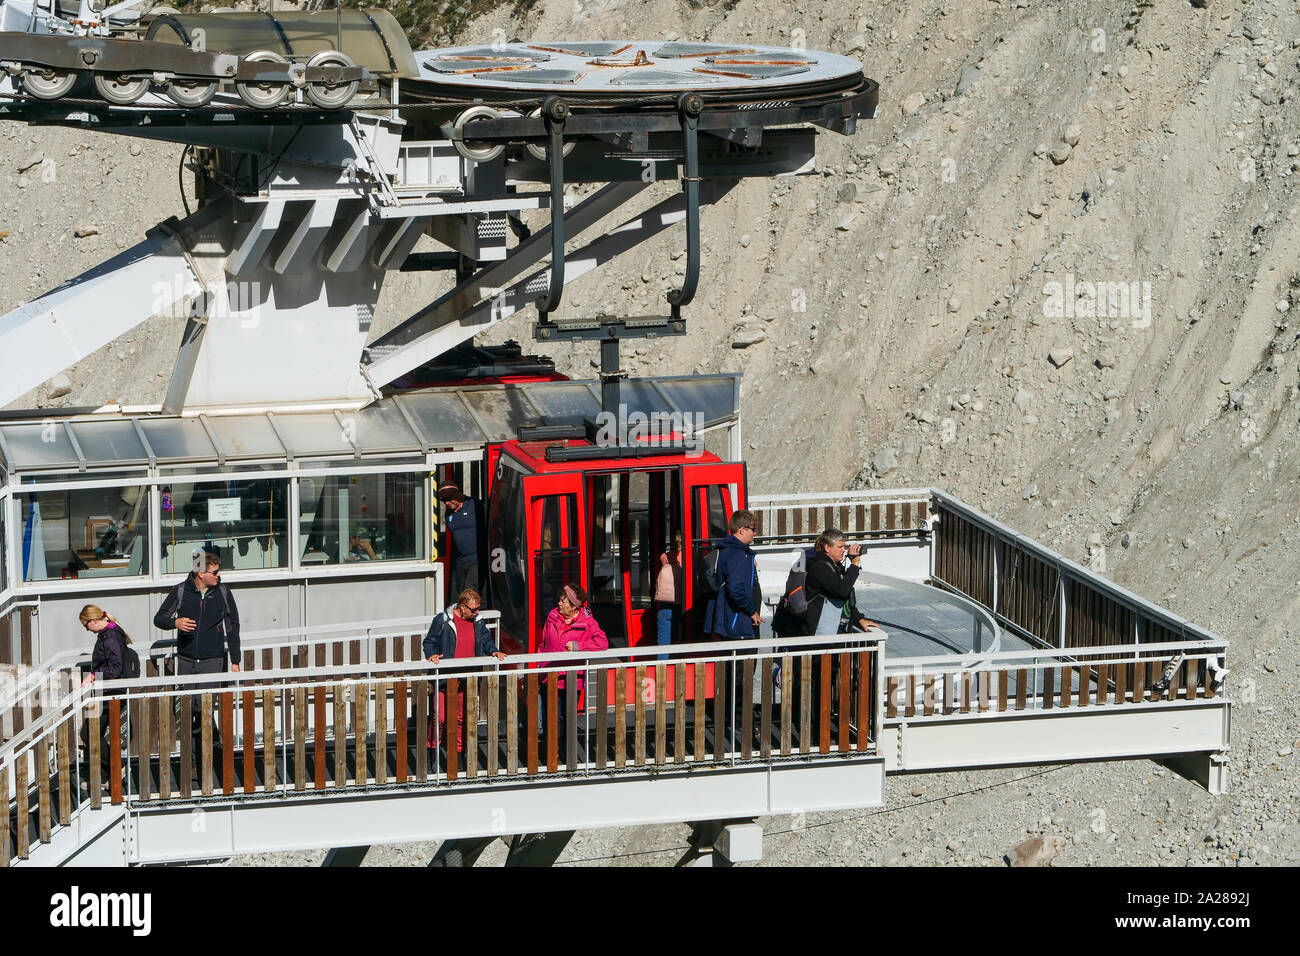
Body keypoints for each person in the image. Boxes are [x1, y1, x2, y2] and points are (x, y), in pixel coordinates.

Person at [153, 550, 241, 770]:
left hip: (212, 660)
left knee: (205, 711)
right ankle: (192, 763)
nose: (218, 576)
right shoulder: (181, 591)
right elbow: (160, 618)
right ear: (200, 573)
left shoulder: (221, 591)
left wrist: (235, 661)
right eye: (215, 572)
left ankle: (209, 760)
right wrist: (175, 623)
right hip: (186, 660)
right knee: (187, 711)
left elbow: (233, 626)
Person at [423, 588, 506, 754]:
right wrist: (431, 654)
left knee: (461, 717)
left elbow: (486, 639)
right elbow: (430, 641)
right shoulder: (443, 619)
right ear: (462, 607)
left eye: (478, 609)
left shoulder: (478, 621)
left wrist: (494, 651)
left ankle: (458, 752)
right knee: (439, 717)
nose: (476, 612)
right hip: (444, 676)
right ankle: (432, 749)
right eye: (473, 609)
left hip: (466, 676)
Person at [537, 583, 608, 761]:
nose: (559, 604)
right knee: (551, 718)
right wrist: (538, 665)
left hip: (571, 679)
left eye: (563, 601)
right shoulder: (552, 616)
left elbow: (602, 643)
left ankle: (568, 756)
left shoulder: (587, 622)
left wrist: (579, 646)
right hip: (550, 675)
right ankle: (551, 756)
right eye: (560, 601)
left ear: (574, 605)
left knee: (568, 718)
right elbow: (543, 644)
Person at [77, 605, 130, 778]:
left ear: (93, 621)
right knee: (92, 734)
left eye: (85, 625)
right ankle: (108, 773)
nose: (86, 629)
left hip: (110, 692)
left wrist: (93, 675)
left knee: (89, 733)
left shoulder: (110, 637)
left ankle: (118, 767)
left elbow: (115, 669)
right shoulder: (108, 634)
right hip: (104, 691)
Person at [803, 529, 879, 635]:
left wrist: (859, 619)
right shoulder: (820, 566)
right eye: (840, 547)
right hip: (816, 630)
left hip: (826, 627)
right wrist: (854, 565)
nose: (844, 550)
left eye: (844, 546)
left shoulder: (833, 564)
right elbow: (841, 591)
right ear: (827, 548)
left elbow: (845, 597)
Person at [703, 510, 763, 640]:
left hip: (735, 620)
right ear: (742, 530)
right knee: (744, 657)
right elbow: (735, 589)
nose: (755, 533)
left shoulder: (731, 551)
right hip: (738, 622)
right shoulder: (737, 555)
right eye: (753, 529)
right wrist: (751, 611)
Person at [439, 481, 483, 595]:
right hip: (460, 562)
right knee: (461, 594)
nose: (447, 503)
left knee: (470, 594)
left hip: (475, 560)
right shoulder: (449, 513)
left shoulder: (475, 505)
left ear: (457, 495)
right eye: (444, 501)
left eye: (449, 499)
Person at [654, 534, 684, 658]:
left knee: (663, 644)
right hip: (683, 605)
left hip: (666, 605)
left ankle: (662, 670)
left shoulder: (664, 556)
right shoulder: (688, 556)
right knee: (684, 643)